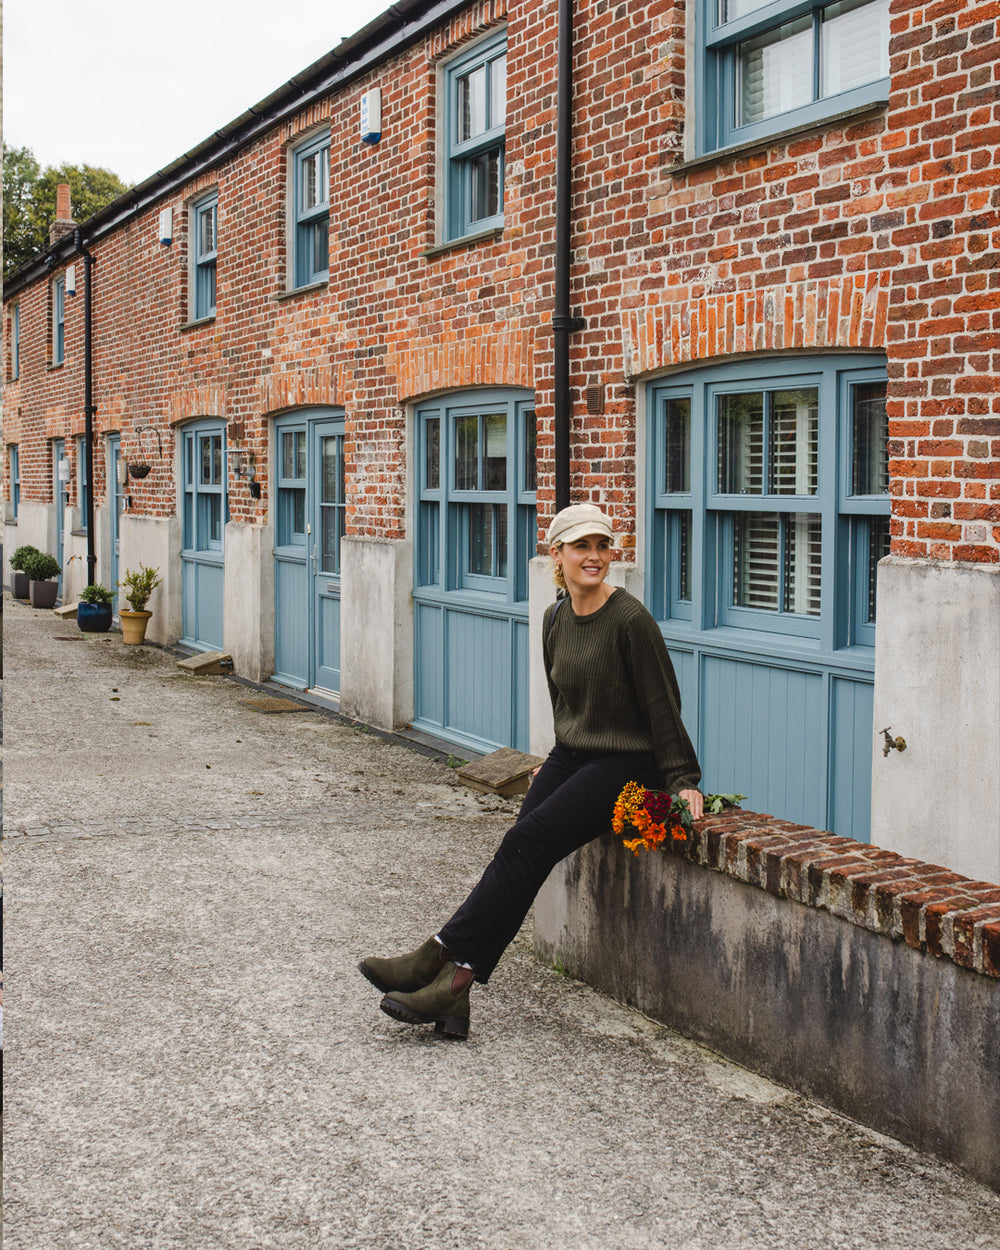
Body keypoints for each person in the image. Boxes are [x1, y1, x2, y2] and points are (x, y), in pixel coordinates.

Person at [359, 503, 703, 1040]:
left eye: (602, 545)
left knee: (528, 842)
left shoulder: (631, 621)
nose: (594, 556)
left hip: (627, 763)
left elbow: (664, 705)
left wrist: (682, 780)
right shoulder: (555, 619)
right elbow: (566, 701)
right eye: (581, 546)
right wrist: (557, 760)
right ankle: (454, 987)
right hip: (574, 754)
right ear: (557, 555)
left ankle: (439, 959)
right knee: (520, 849)